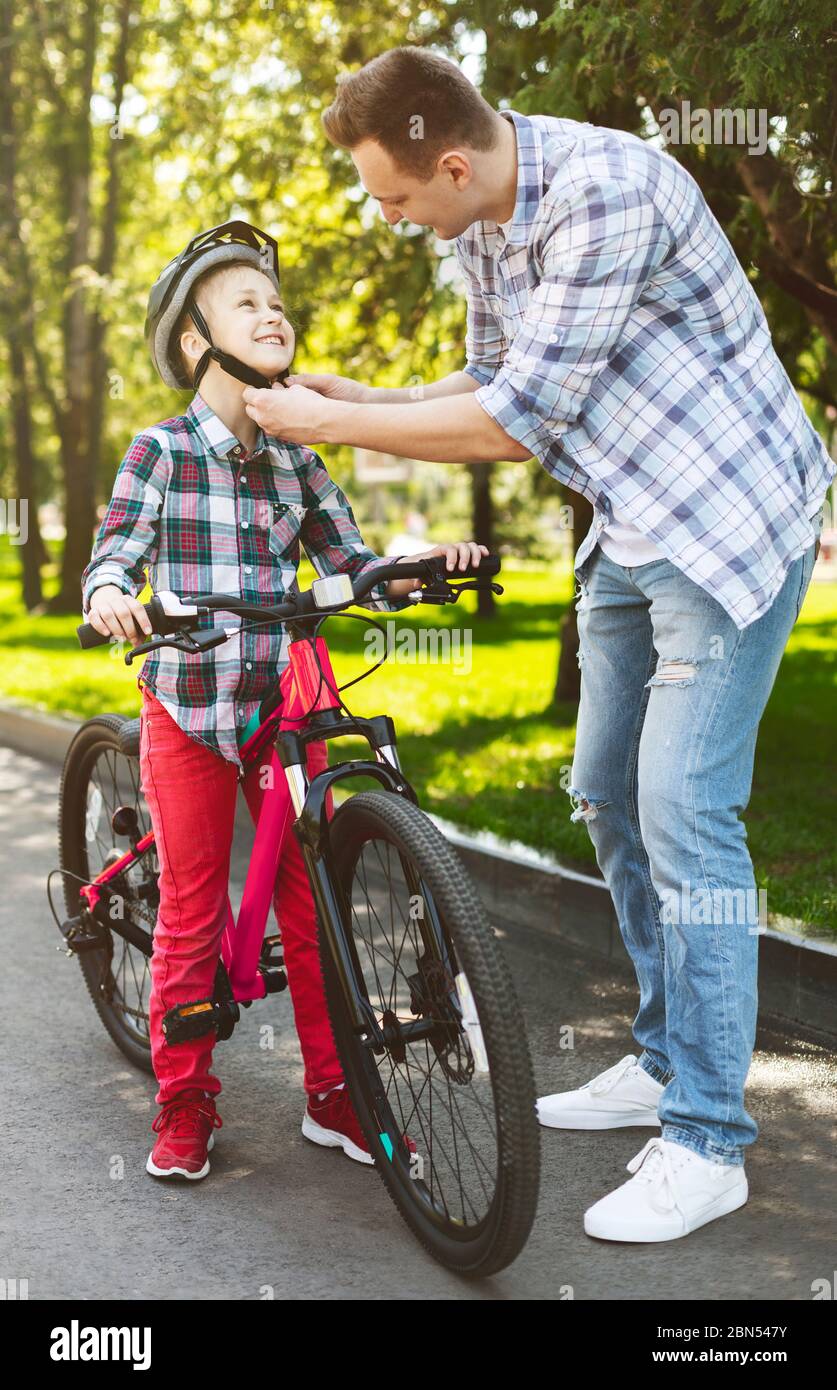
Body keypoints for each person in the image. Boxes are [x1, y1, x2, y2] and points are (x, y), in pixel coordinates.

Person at [241, 49, 836, 1242]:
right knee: (604, 793)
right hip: (631, 521)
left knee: (683, 812)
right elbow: (490, 372)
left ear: (452, 164)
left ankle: (711, 1136)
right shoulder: (482, 224)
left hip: (724, 525)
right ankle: (668, 1059)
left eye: (395, 198)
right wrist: (377, 395)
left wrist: (338, 425)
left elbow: (516, 424)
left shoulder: (610, 192)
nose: (388, 216)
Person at [81, 219, 487, 1181]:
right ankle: (183, 1104)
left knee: (313, 907)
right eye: (246, 303)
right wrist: (109, 597)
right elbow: (117, 552)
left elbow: (351, 562)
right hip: (189, 702)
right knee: (189, 906)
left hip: (283, 711)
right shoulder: (162, 451)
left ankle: (333, 1092)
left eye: (277, 302)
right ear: (197, 340)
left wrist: (411, 567)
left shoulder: (300, 455)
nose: (273, 314)